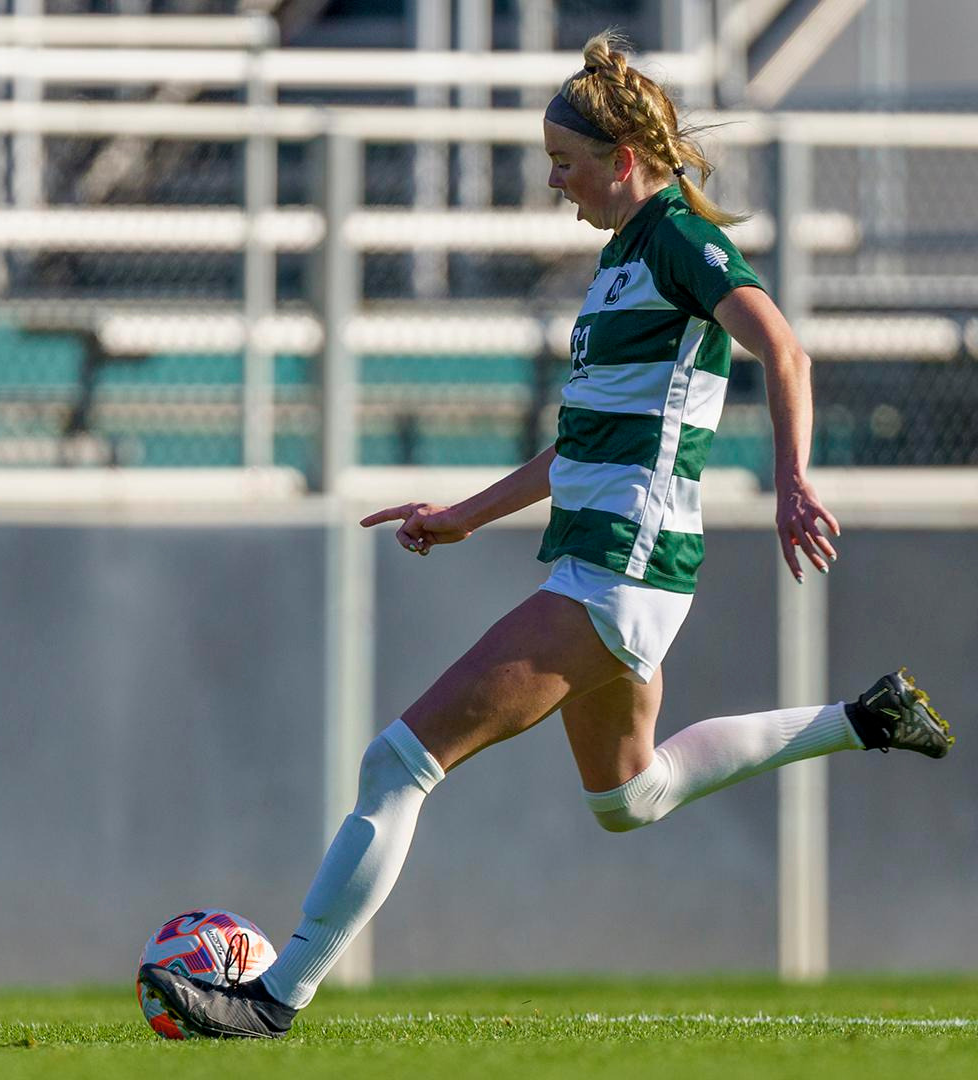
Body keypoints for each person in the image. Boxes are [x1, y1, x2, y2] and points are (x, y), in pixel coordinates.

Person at [138, 31, 952, 1039]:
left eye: (564, 165)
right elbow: (573, 449)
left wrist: (791, 482)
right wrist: (460, 519)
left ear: (622, 161)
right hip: (607, 565)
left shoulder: (679, 242)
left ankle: (274, 997)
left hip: (622, 570)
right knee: (632, 798)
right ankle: (865, 719)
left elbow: (783, 346)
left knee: (399, 764)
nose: (555, 184)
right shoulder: (623, 265)